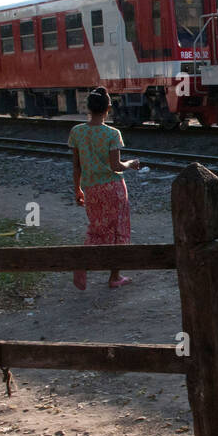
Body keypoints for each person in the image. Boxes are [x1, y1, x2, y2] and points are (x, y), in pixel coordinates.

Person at [68, 87, 141, 290]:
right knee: (118, 230)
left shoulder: (77, 132)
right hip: (113, 188)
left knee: (96, 229)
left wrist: (77, 189)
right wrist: (131, 163)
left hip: (91, 188)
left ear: (88, 107)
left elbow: (76, 166)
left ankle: (82, 264)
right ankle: (114, 277)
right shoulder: (112, 134)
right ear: (108, 108)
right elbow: (116, 166)